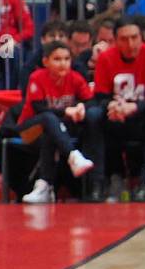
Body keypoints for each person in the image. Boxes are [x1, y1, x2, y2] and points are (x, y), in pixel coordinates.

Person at [85, 17, 145, 202]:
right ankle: (97, 183)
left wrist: (135, 107)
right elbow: (99, 97)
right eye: (124, 39)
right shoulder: (106, 58)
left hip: (143, 118)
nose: (130, 44)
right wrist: (112, 105)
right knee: (93, 115)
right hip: (115, 117)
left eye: (134, 38)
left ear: (142, 38)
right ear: (115, 41)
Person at [17, 41, 96, 204]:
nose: (63, 64)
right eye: (57, 59)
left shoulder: (76, 78)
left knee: (51, 133)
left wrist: (81, 107)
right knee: (48, 118)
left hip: (55, 133)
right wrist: (67, 111)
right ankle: (73, 156)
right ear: (46, 61)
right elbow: (38, 107)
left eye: (67, 59)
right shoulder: (37, 77)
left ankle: (44, 186)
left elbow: (90, 102)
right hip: (30, 130)